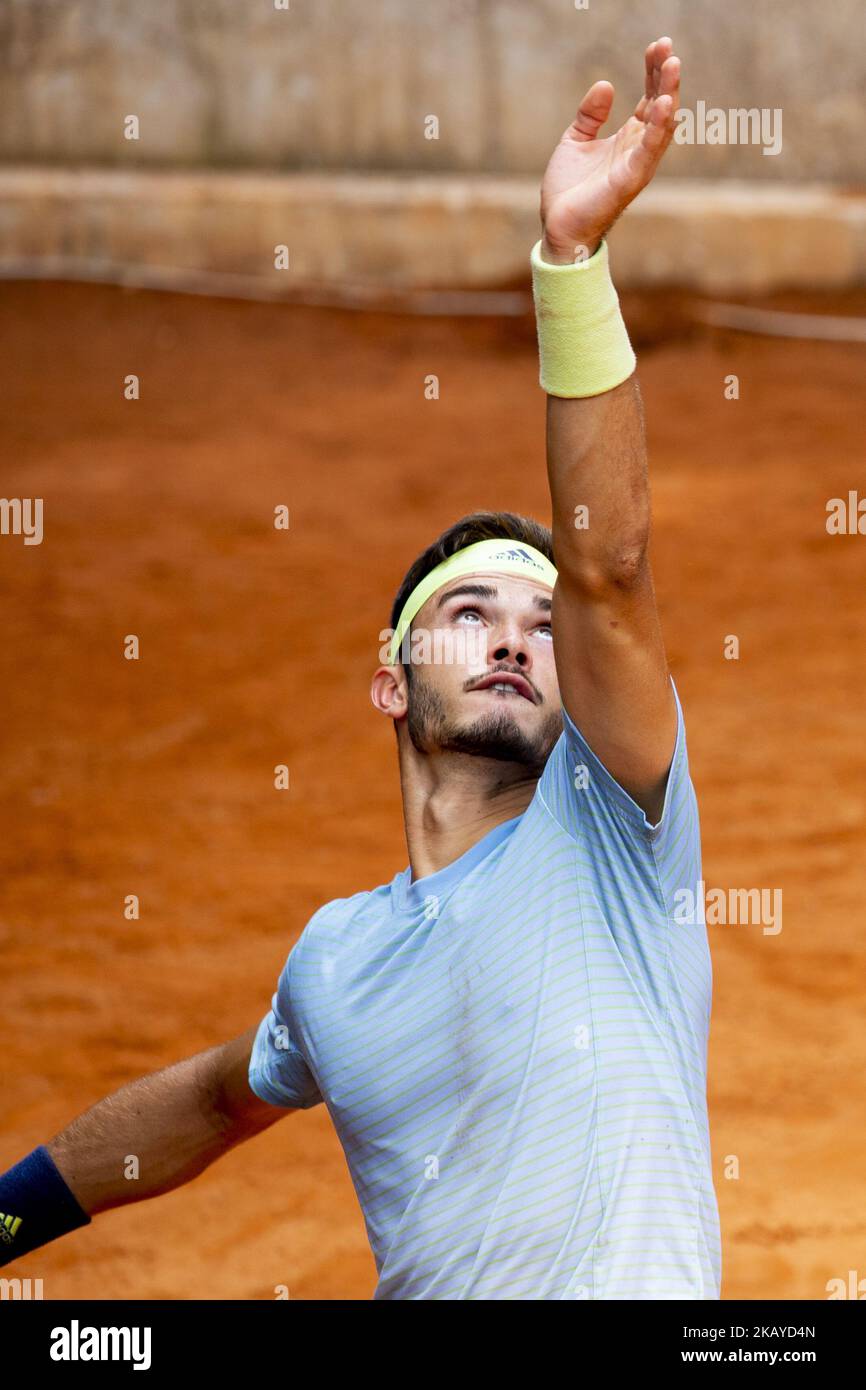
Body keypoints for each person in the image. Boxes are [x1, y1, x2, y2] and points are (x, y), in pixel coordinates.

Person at [0, 36, 721, 1299]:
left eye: (541, 627)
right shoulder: (335, 963)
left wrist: (569, 266)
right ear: (389, 681)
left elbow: (608, 566)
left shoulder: (613, 833)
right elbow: (217, 1098)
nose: (515, 635)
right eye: (471, 612)